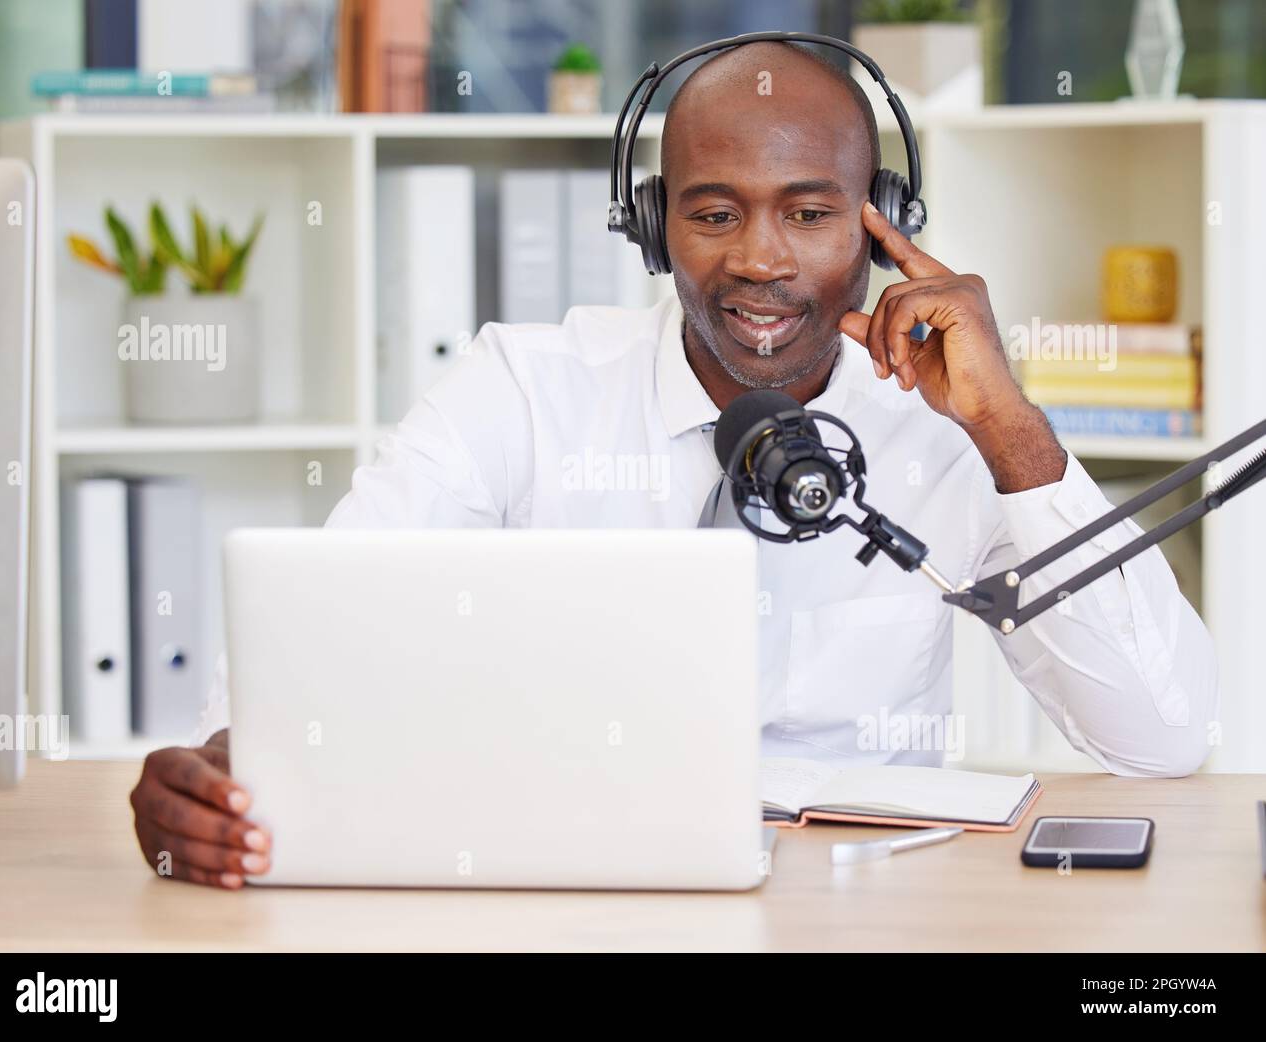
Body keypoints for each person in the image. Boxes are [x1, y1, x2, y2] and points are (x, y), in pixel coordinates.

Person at [130, 41, 1218, 888]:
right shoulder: (524, 387)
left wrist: (1010, 429)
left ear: (882, 229)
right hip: (571, 897)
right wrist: (220, 772)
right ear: (653, 226)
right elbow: (318, 637)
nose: (757, 259)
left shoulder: (944, 427)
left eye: (808, 212)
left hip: (876, 908)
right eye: (711, 213)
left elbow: (1160, 737)